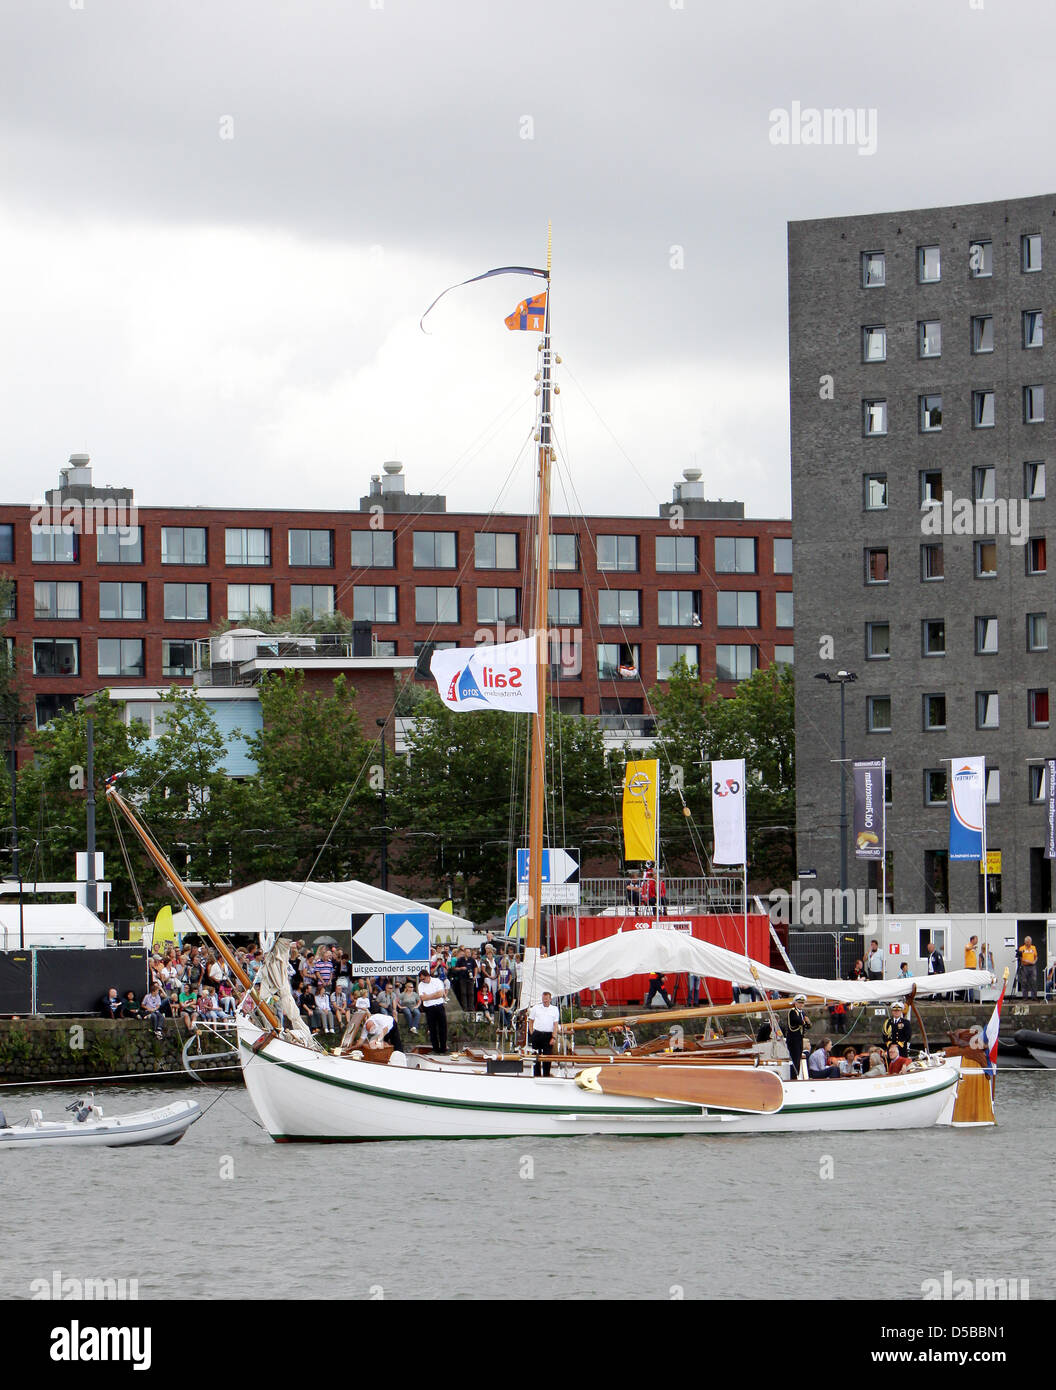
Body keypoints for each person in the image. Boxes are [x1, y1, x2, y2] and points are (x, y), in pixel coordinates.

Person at [527, 990, 560, 1077]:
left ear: (550, 999)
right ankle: (536, 1075)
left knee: (547, 1057)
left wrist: (554, 1037)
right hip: (537, 1034)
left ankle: (546, 1074)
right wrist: (532, 1033)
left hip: (548, 1035)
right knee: (536, 1056)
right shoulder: (536, 1008)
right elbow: (531, 1021)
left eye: (546, 999)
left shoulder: (555, 1009)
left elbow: (555, 1024)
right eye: (543, 999)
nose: (544, 1001)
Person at [418, 968, 449, 1054]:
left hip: (439, 1006)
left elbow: (440, 994)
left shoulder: (437, 981)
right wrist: (433, 995)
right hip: (429, 1008)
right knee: (432, 1029)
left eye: (423, 979)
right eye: (421, 979)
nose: (423, 981)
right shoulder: (421, 985)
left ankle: (443, 1048)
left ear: (428, 976)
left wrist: (428, 996)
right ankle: (435, 1048)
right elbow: (422, 998)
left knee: (443, 1028)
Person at [785, 994, 810, 1078]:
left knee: (798, 1058)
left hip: (799, 1039)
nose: (801, 1005)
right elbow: (797, 1020)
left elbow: (808, 1025)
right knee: (794, 1058)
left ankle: (796, 1074)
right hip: (793, 1039)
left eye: (802, 1003)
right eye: (799, 1003)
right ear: (795, 1003)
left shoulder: (802, 1012)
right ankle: (793, 1076)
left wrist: (808, 1022)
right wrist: (805, 1021)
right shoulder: (792, 1011)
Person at [964, 935, 980, 1003]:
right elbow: (967, 948)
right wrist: (972, 947)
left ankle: (970, 997)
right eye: (976, 939)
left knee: (972, 982)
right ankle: (969, 997)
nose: (977, 941)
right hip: (969, 966)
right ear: (972, 940)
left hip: (973, 966)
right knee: (970, 982)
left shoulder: (972, 947)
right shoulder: (968, 945)